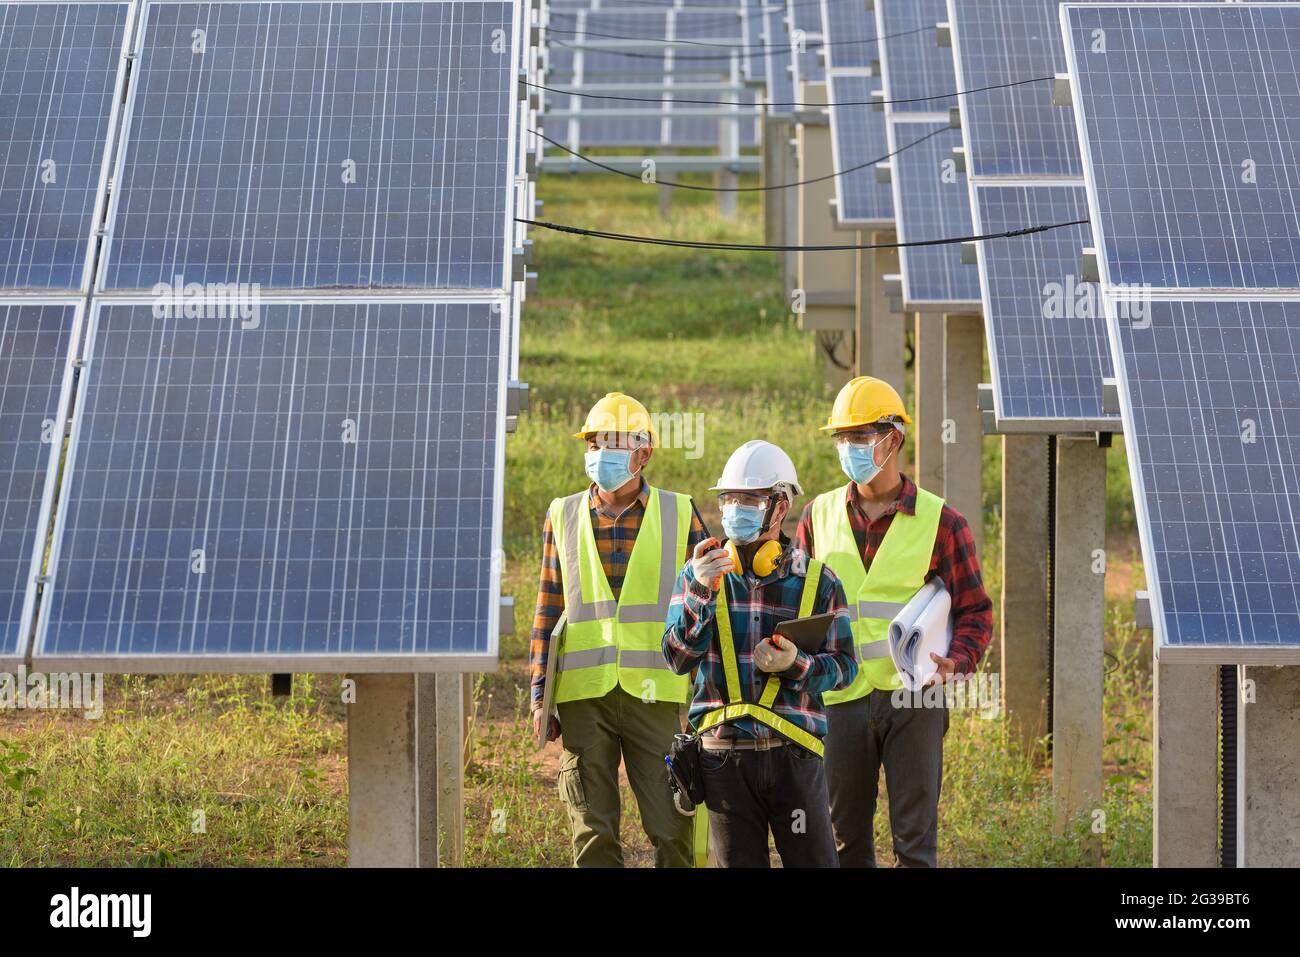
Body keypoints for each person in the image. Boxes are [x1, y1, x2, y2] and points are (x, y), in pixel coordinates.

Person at [795, 376, 994, 868]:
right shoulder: (816, 517)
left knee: (915, 843)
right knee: (845, 842)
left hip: (915, 698)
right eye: (843, 438)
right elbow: (793, 606)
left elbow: (974, 609)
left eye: (861, 437)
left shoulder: (943, 522)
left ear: (893, 439)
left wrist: (959, 660)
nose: (850, 448)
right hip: (839, 696)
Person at [528, 392, 709, 868]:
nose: (599, 454)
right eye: (592, 444)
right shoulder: (562, 514)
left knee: (672, 828)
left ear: (643, 452)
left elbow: (706, 604)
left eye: (611, 443)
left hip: (658, 696)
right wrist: (539, 694)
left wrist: (711, 695)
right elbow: (549, 608)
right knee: (592, 833)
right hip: (584, 697)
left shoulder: (679, 513)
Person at [663, 440, 857, 867]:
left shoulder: (818, 581)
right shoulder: (697, 578)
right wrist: (700, 593)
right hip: (722, 759)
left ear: (780, 505)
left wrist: (797, 665)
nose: (735, 508)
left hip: (795, 757)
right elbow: (677, 659)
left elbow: (845, 669)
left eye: (749, 499)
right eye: (729, 498)